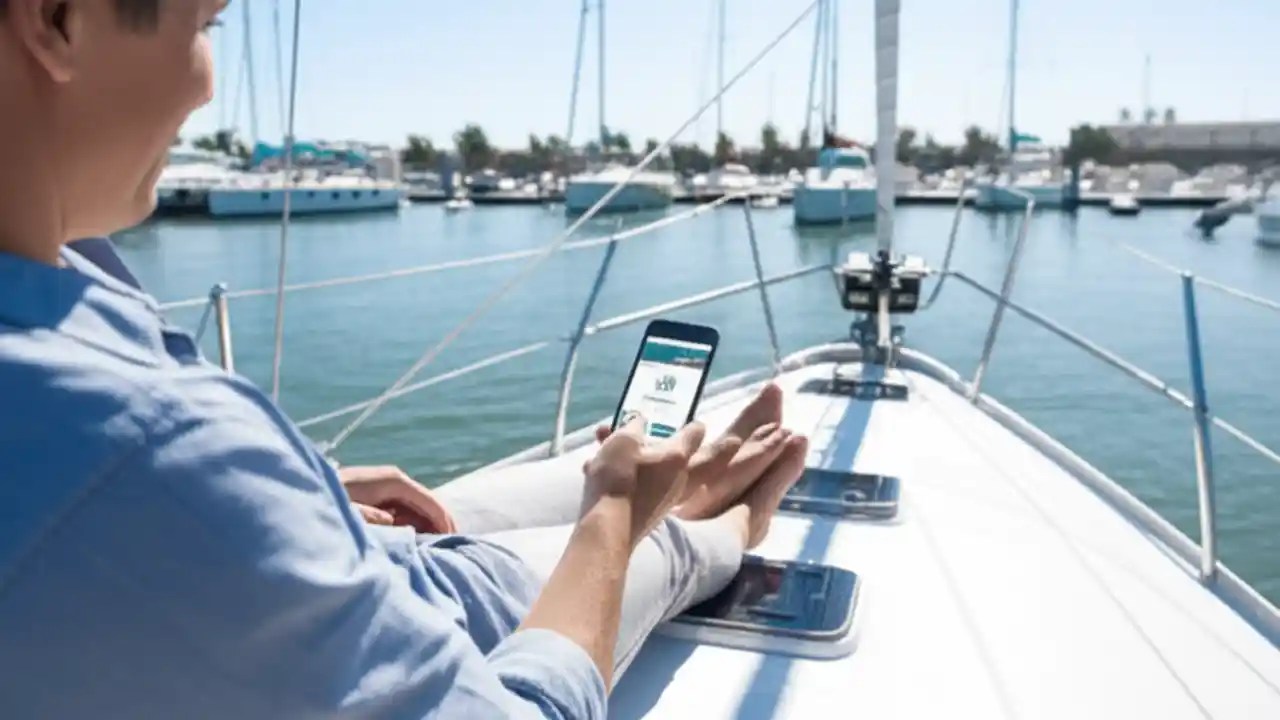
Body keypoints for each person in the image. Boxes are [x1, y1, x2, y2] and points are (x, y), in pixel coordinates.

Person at [0, 2, 808, 718]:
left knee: (598, 477)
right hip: (388, 601)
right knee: (677, 523)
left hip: (329, 553)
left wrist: (293, 491)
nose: (208, 88)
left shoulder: (64, 308)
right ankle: (715, 521)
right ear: (55, 17)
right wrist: (619, 521)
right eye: (205, 24)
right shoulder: (149, 451)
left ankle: (667, 491)